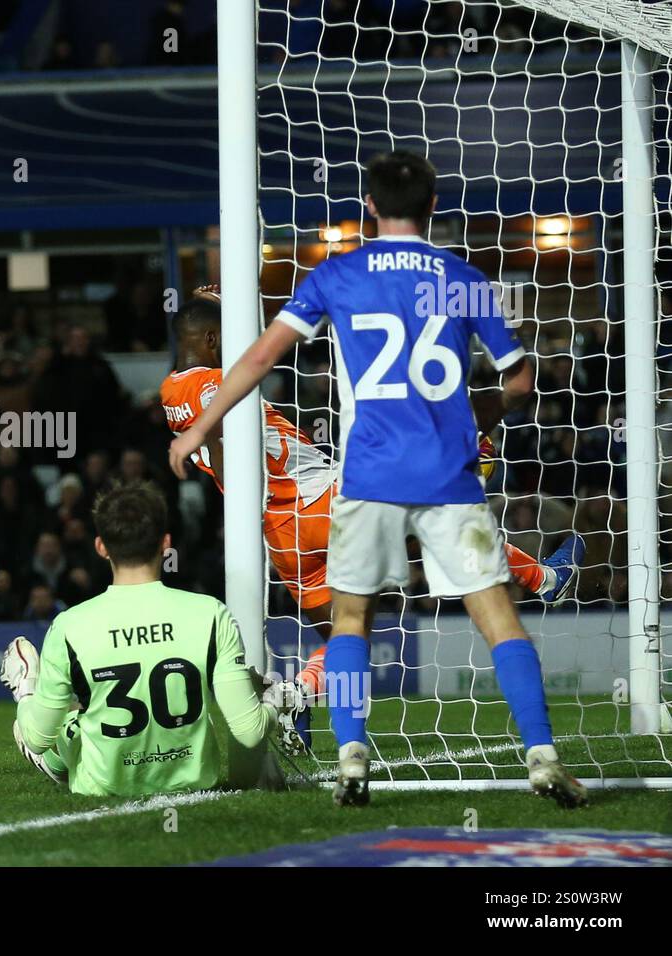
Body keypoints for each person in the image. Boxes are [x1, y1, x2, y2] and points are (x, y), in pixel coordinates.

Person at [168, 151, 586, 808]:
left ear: (368, 207)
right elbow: (521, 378)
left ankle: (353, 758)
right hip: (449, 476)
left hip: (366, 477)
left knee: (352, 621)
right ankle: (542, 755)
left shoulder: (337, 274)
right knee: (500, 621)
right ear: (433, 206)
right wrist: (487, 410)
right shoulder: (463, 279)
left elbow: (258, 357)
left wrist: (198, 429)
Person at [163, 287, 586, 742]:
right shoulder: (212, 385)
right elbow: (243, 376)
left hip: (279, 535)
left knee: (346, 638)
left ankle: (295, 696)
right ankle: (538, 572)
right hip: (321, 501)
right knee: (430, 485)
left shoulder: (170, 394)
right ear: (211, 339)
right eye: (226, 334)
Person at [0, 479, 303, 797]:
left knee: (69, 719)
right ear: (165, 542)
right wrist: (274, 701)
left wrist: (26, 698)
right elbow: (250, 730)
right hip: (193, 784)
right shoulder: (210, 613)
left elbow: (35, 738)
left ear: (101, 547)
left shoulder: (68, 625)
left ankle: (28, 690)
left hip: (105, 787)